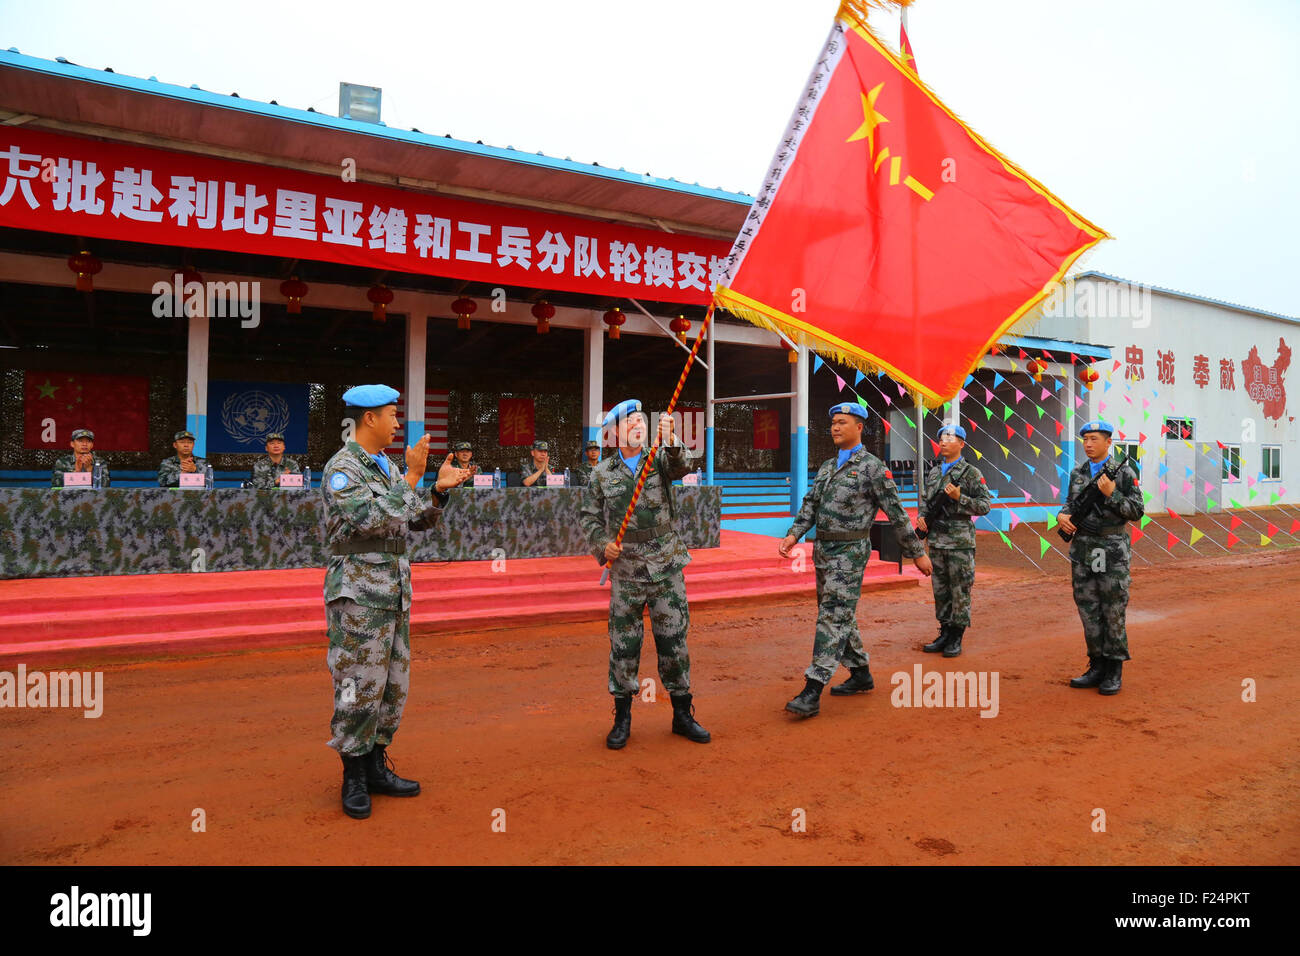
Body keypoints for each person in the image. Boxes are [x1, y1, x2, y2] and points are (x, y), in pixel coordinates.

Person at [322, 384, 471, 819]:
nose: (397, 424)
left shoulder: (384, 466)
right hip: (359, 592)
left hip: (394, 590)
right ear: (370, 418)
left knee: (391, 685)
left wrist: (439, 491)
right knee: (357, 685)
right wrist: (410, 478)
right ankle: (352, 775)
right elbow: (370, 519)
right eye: (392, 415)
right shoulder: (343, 468)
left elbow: (414, 521)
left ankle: (374, 767)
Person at [778, 402, 932, 717]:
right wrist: (794, 535)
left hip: (850, 554)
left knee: (832, 616)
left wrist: (916, 553)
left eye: (842, 422)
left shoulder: (873, 468)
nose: (835, 427)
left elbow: (897, 513)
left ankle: (812, 688)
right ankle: (860, 672)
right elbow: (810, 505)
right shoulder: (826, 467)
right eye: (833, 422)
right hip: (824, 551)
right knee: (838, 613)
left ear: (859, 427)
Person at [578, 399, 710, 749]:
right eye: (630, 422)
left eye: (641, 420)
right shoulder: (602, 473)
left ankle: (682, 713)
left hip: (666, 563)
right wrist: (602, 544)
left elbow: (682, 466)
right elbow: (589, 517)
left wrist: (672, 440)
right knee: (624, 644)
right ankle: (622, 717)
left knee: (673, 639)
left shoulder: (659, 458)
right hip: (627, 569)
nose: (638, 425)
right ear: (615, 432)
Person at [1058, 420, 1143, 696]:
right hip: (1084, 550)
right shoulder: (1078, 472)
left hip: (1111, 550)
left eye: (1094, 439)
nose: (1088, 444)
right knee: (1089, 608)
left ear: (1108, 443)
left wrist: (1112, 494)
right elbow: (1071, 503)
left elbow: (1137, 510)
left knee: (1112, 609)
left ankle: (1114, 668)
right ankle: (1096, 665)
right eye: (1085, 439)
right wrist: (1062, 515)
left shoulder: (1125, 472)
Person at [917, 424, 991, 657]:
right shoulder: (934, 472)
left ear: (961, 443)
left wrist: (960, 498)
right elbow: (926, 501)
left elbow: (985, 505)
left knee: (960, 590)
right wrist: (921, 517)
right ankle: (944, 632)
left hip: (960, 543)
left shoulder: (971, 473)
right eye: (941, 438)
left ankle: (956, 637)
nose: (944, 442)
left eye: (950, 438)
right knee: (941, 590)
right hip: (937, 540)